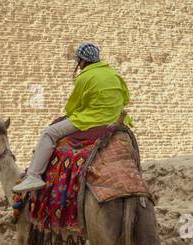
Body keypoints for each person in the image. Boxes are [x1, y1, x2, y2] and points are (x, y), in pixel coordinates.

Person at [14, 43, 133, 192]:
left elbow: (72, 107)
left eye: (78, 60)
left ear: (82, 60)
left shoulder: (84, 77)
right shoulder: (114, 74)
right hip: (115, 119)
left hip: (93, 120)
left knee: (49, 133)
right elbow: (125, 98)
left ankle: (33, 176)